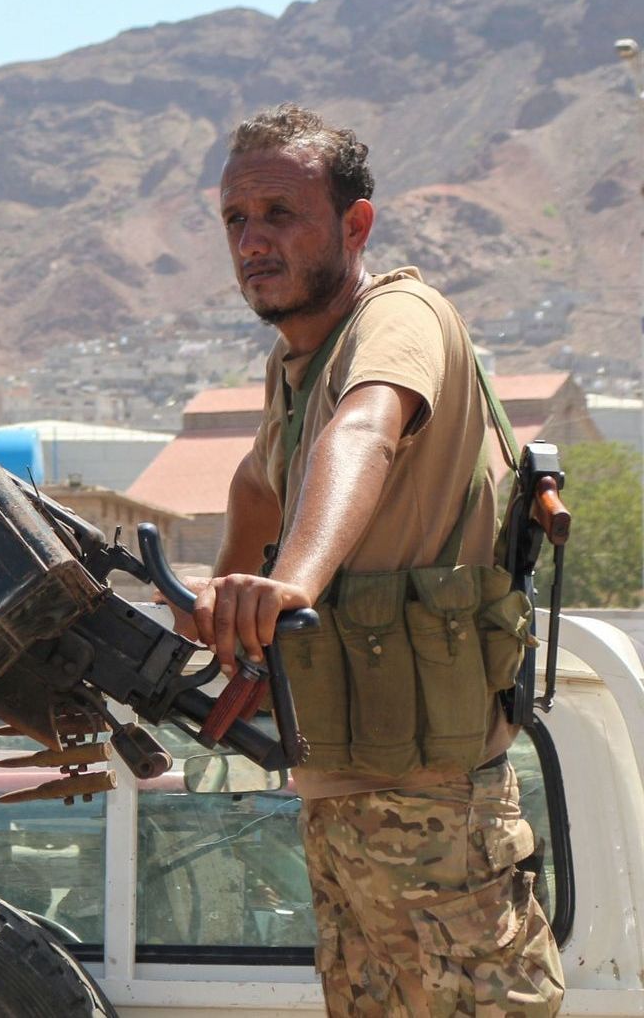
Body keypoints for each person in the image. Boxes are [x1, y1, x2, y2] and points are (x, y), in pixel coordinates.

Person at [187, 104, 563, 1015]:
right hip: (347, 805)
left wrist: (293, 580)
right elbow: (257, 482)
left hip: (441, 814)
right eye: (236, 219)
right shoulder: (294, 370)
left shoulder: (398, 318)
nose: (252, 240)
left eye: (280, 213)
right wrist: (207, 611)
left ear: (355, 223)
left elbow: (367, 431)